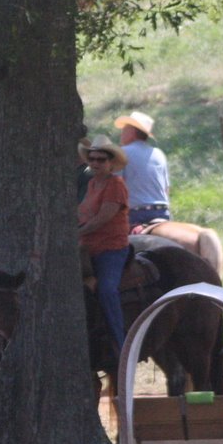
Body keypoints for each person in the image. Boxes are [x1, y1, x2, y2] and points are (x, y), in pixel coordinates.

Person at [80, 135, 132, 350]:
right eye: (92, 159)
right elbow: (83, 213)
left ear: (111, 163)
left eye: (101, 159)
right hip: (87, 249)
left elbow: (103, 218)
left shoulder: (115, 184)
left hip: (110, 249)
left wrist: (76, 233)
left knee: (106, 289)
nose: (95, 163)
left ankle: (120, 344)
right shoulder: (92, 184)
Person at [116, 111, 172, 226]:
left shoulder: (122, 153)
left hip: (136, 213)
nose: (121, 134)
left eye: (124, 129)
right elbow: (166, 189)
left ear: (132, 132)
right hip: (162, 212)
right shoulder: (159, 153)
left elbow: (116, 186)